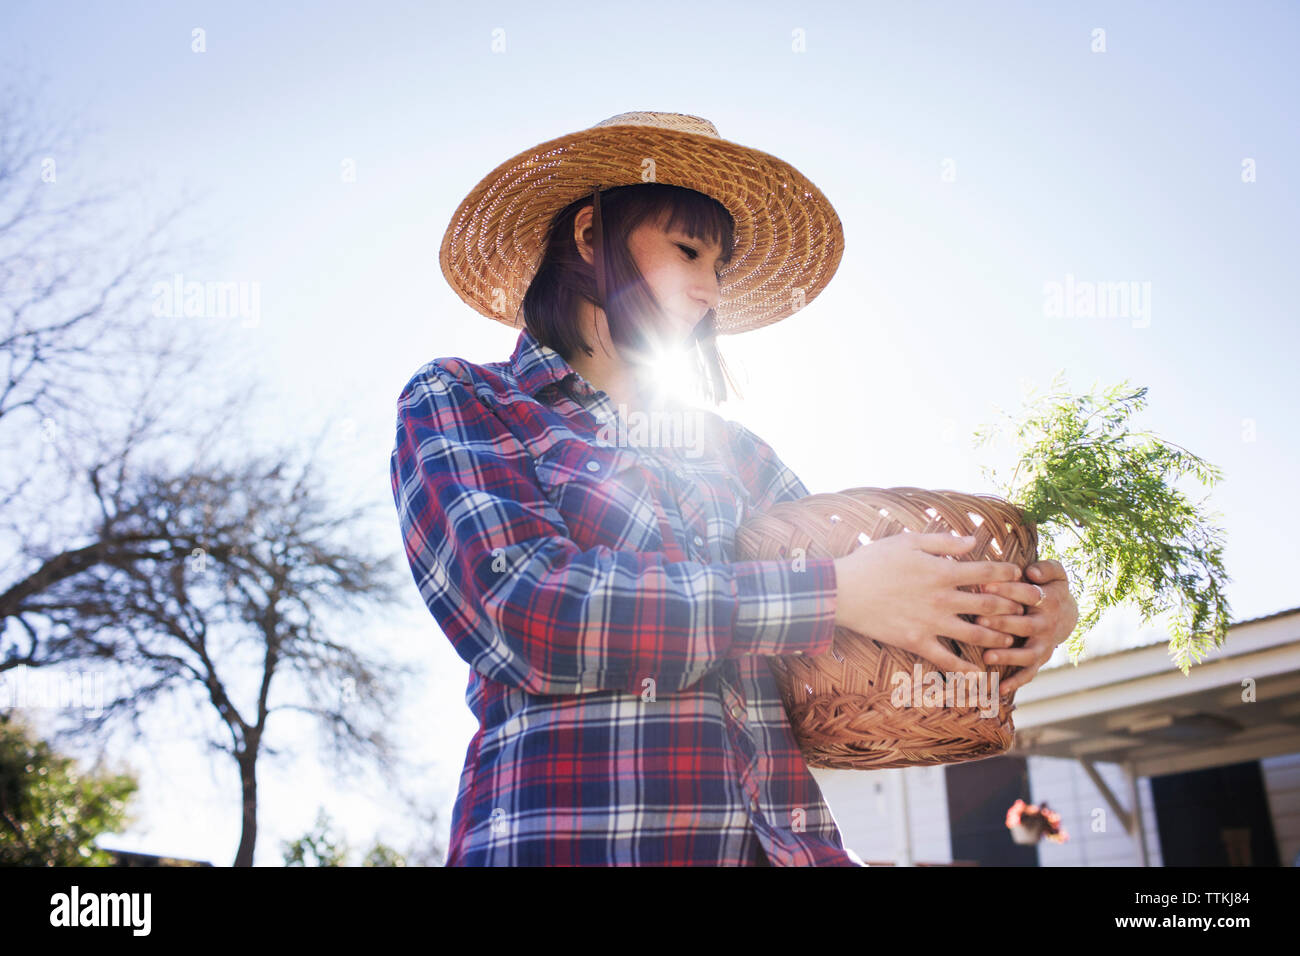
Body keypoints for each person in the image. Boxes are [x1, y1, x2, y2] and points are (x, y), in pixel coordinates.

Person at [390, 111, 1079, 866]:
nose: (709, 290)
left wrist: (1006, 616)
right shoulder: (466, 400)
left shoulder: (739, 456)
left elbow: (849, 654)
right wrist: (831, 594)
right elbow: (524, 608)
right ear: (589, 236)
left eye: (719, 267)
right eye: (688, 250)